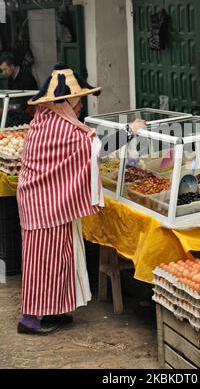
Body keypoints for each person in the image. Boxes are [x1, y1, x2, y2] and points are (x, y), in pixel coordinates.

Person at [16, 63, 146, 334]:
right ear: (66, 100)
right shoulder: (61, 129)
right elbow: (97, 149)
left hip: (44, 201)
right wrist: (131, 130)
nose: (81, 107)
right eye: (78, 102)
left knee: (58, 260)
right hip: (44, 205)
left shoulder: (45, 119)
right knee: (44, 262)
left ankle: (52, 311)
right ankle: (30, 318)